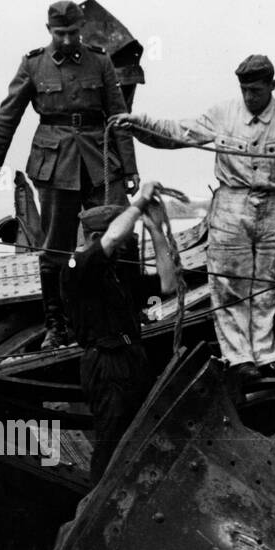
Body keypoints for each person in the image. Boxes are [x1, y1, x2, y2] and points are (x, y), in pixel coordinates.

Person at [113, 55, 275, 375]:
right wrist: (137, 124)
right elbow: (178, 133)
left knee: (265, 283)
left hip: (274, 204)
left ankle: (266, 356)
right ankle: (239, 359)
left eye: (256, 91)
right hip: (232, 202)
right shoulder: (223, 115)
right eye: (244, 90)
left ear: (272, 86)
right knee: (229, 283)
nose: (249, 97)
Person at [0, 0, 139, 350]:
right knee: (55, 248)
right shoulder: (33, 64)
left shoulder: (100, 60)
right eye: (60, 33)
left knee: (120, 237)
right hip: (54, 164)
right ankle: (57, 326)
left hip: (100, 162)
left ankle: (128, 316)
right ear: (49, 31)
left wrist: (130, 168)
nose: (66, 40)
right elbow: (8, 117)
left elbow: (119, 115)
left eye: (73, 33)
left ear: (82, 30)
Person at [60, 180, 174, 483]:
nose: (126, 244)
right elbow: (112, 238)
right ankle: (96, 504)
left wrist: (156, 231)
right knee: (111, 439)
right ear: (96, 236)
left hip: (132, 358)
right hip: (105, 362)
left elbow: (168, 284)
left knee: (144, 432)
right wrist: (137, 204)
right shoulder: (77, 266)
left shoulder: (117, 274)